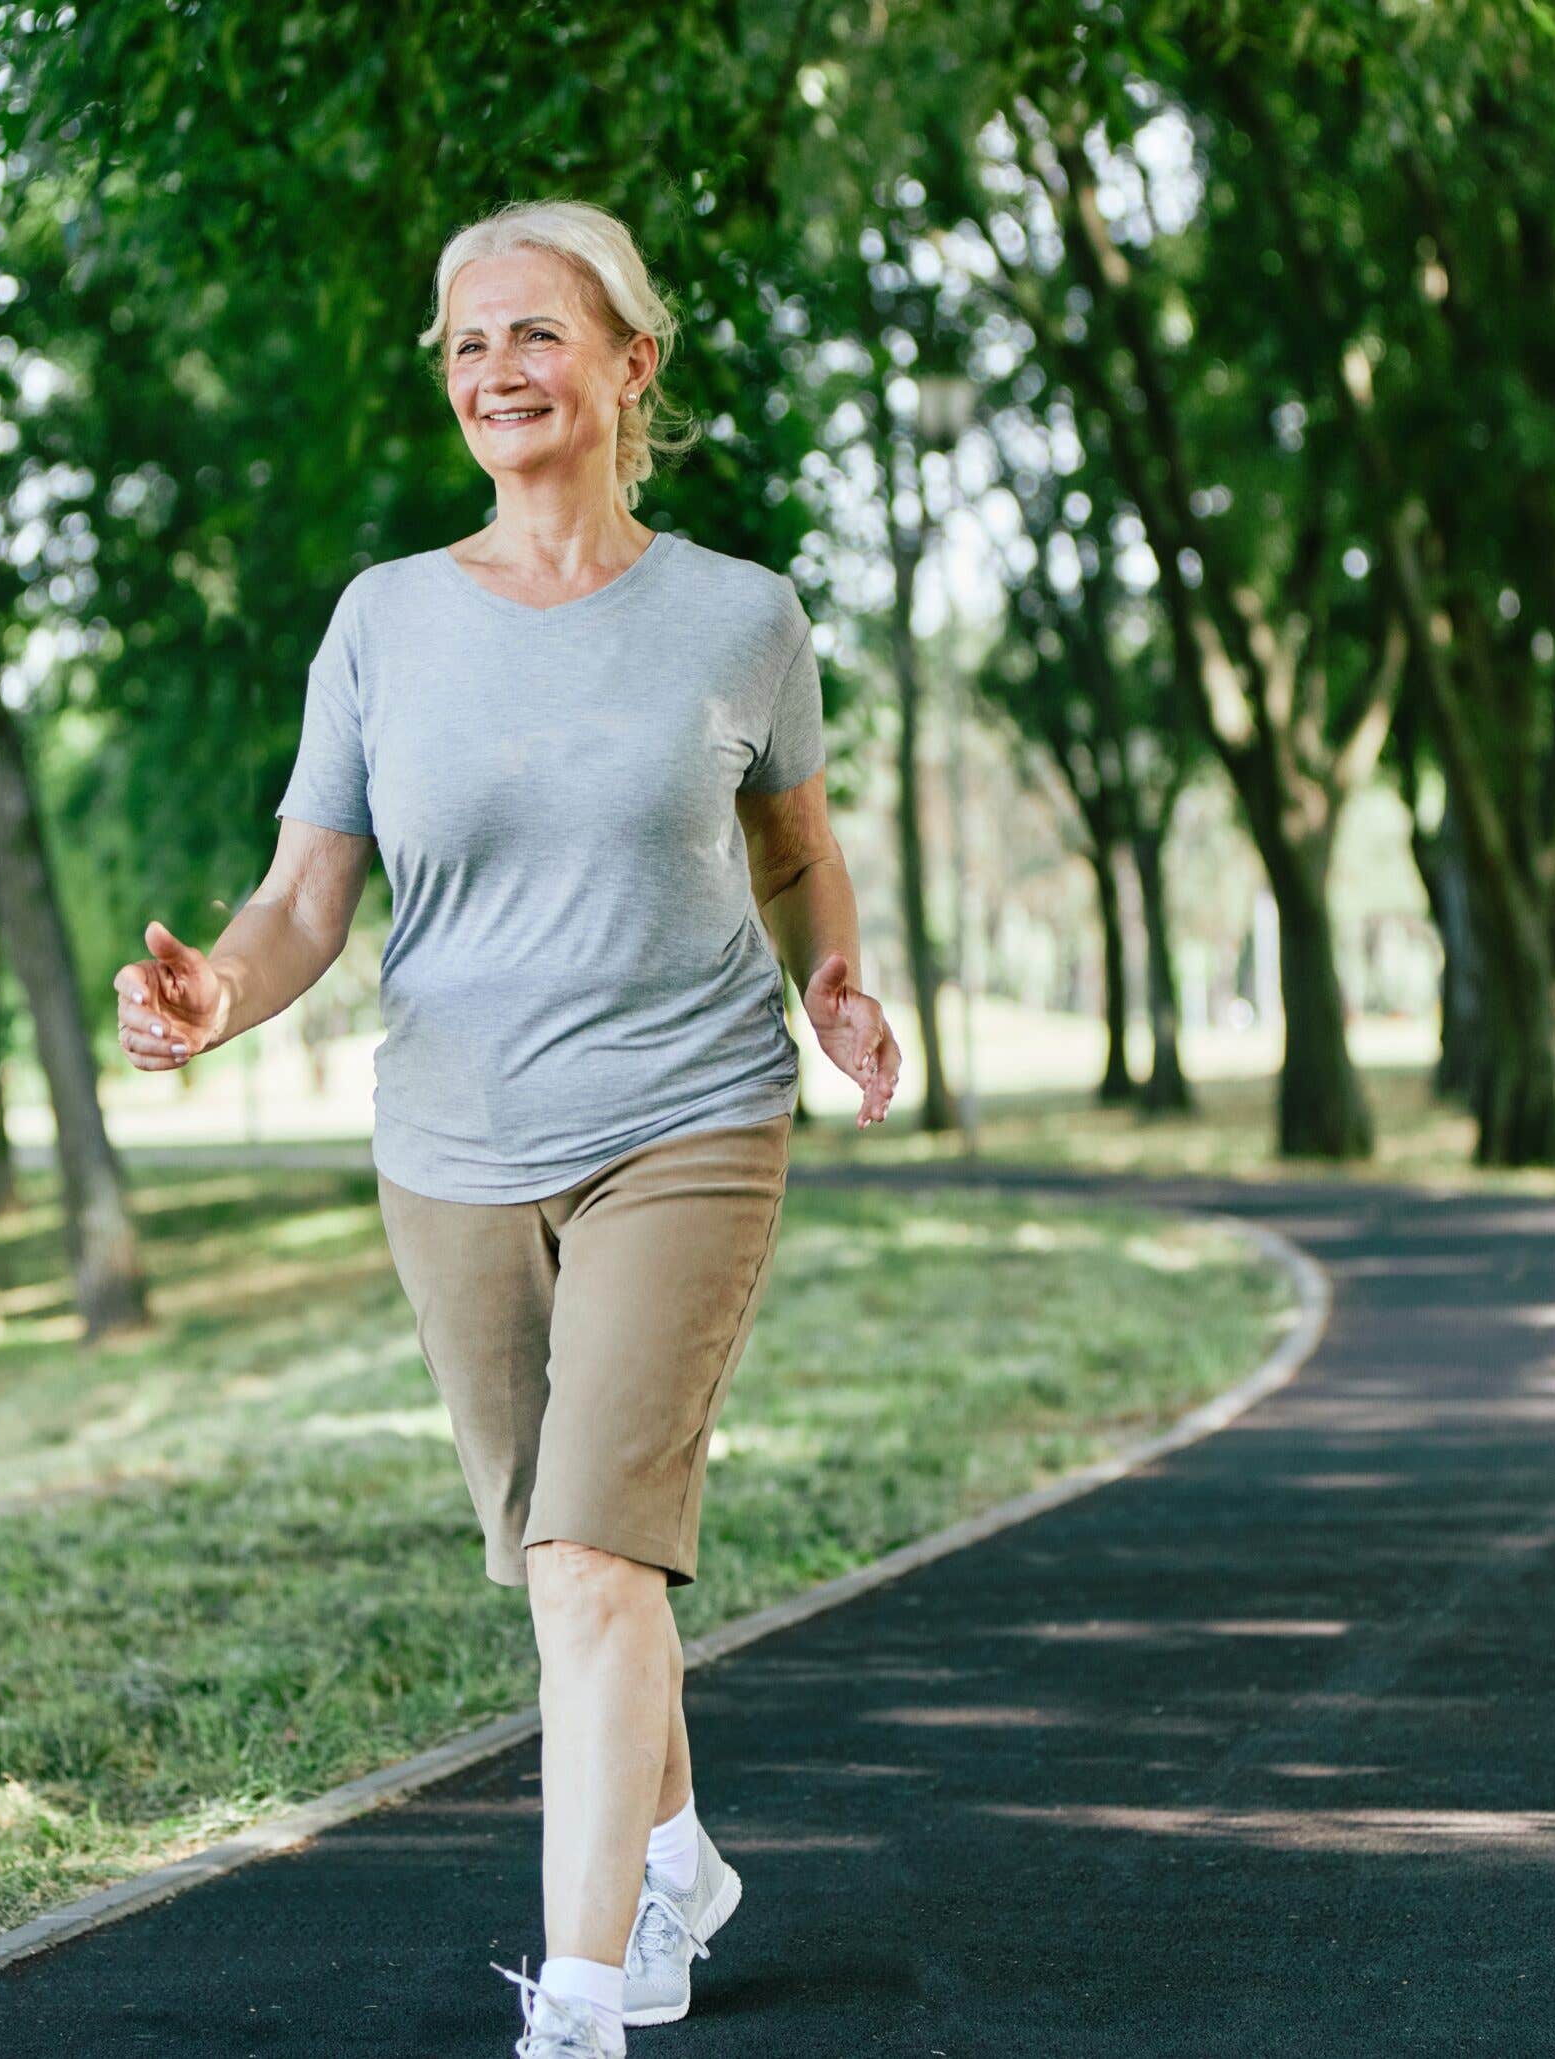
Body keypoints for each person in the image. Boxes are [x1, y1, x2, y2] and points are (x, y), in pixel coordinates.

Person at [112, 197, 899, 2057]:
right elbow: (308, 900)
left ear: (631, 362)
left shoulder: (738, 616)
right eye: (466, 346)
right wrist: (218, 994)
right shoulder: (386, 621)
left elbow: (795, 856)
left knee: (590, 1560)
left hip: (689, 1119)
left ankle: (575, 2009)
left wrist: (838, 980)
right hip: (451, 1150)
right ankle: (677, 1855)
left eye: (534, 335)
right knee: (568, 1552)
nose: (494, 372)